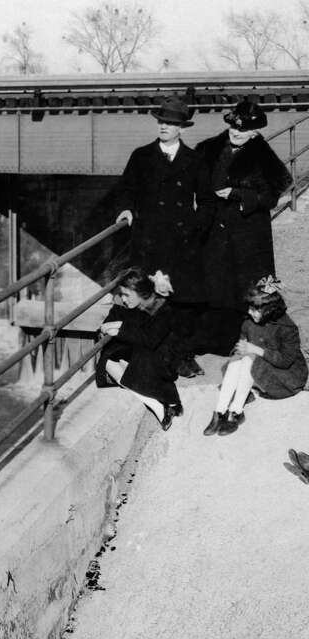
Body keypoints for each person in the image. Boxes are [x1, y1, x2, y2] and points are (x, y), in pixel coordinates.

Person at [114, 97, 213, 377]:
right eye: (161, 122)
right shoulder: (141, 156)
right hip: (148, 240)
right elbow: (126, 189)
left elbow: (207, 202)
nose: (164, 127)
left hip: (182, 243)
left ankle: (182, 355)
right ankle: (145, 355)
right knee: (146, 297)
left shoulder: (195, 160)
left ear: (182, 128)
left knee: (182, 302)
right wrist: (126, 208)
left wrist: (195, 229)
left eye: (170, 123)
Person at [195, 99, 292, 355]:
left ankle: (251, 339)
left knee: (249, 286)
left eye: (243, 129)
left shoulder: (264, 156)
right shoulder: (209, 149)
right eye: (233, 127)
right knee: (215, 284)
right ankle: (214, 342)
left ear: (255, 132)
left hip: (249, 232)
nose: (236, 132)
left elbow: (271, 197)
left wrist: (238, 194)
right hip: (215, 229)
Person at [204, 277, 307, 436]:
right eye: (249, 308)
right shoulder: (249, 323)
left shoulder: (286, 328)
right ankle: (220, 411)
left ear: (269, 310)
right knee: (238, 360)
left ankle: (236, 411)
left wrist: (255, 350)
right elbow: (241, 345)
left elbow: (285, 361)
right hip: (261, 367)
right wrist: (240, 350)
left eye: (254, 309)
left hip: (286, 377)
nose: (249, 312)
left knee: (248, 359)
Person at [95, 268, 183, 430]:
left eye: (127, 295)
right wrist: (108, 327)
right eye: (121, 294)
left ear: (141, 293)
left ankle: (163, 406)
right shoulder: (124, 303)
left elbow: (150, 339)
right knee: (107, 359)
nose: (123, 299)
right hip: (141, 352)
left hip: (162, 359)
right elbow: (110, 321)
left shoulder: (162, 307)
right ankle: (160, 404)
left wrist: (120, 327)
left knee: (135, 361)